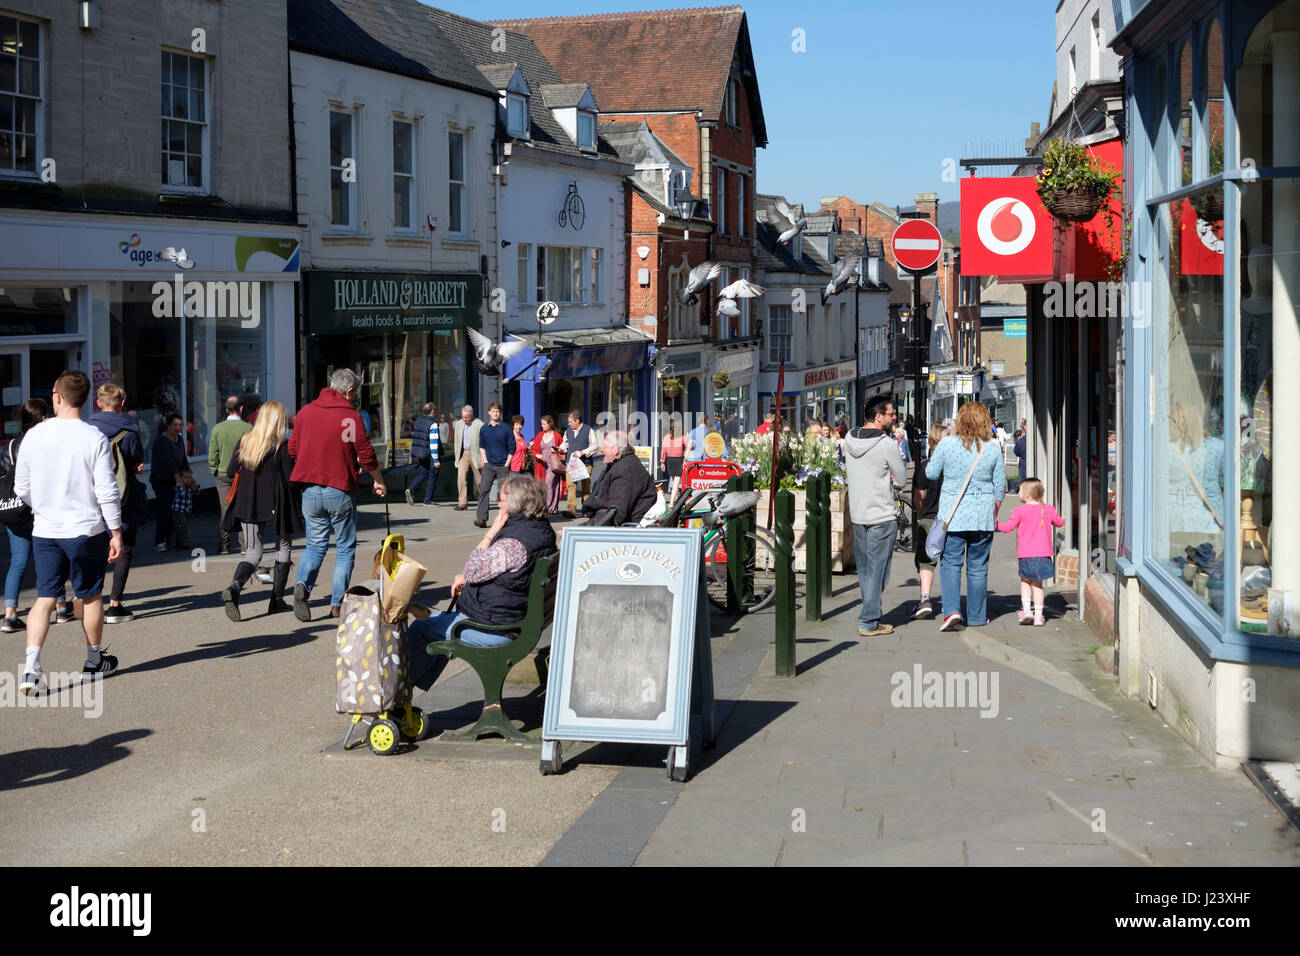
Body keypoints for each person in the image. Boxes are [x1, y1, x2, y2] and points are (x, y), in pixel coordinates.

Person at [14, 370, 124, 694]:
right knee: (90, 596)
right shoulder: (94, 438)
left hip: (46, 529)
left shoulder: (34, 435)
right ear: (86, 399)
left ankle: (31, 668)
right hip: (85, 530)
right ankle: (92, 661)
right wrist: (115, 532)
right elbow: (107, 490)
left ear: (56, 397)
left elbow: (22, 486)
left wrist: (43, 505)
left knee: (45, 598)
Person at [407, 475, 557, 692]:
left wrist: (492, 531)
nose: (498, 503)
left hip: (498, 628)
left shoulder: (514, 543)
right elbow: (507, 572)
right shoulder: (541, 531)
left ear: (515, 503)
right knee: (436, 622)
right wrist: (467, 578)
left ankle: (398, 694)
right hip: (513, 618)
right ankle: (413, 687)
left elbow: (473, 569)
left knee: (422, 627)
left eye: (501, 498)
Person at [289, 368, 386, 621]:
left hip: (310, 488)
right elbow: (365, 453)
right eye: (355, 394)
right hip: (339, 488)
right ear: (350, 391)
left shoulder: (305, 413)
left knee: (315, 544)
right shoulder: (349, 418)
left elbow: (293, 449)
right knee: (344, 547)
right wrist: (378, 481)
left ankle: (301, 586)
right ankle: (336, 603)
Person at [926, 400, 1007, 631]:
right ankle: (977, 616)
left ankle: (951, 611)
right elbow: (1000, 485)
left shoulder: (947, 444)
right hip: (982, 516)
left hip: (952, 517)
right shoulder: (992, 447)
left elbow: (931, 473)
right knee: (978, 566)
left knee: (950, 563)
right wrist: (994, 509)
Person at [221, 401, 302, 621]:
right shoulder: (281, 446)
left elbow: (229, 472)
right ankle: (276, 600)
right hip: (277, 502)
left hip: (247, 502)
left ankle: (235, 587)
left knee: (253, 552)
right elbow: (291, 479)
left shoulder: (245, 440)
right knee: (283, 547)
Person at [2, 399, 77, 633]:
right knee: (52, 557)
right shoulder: (44, 442)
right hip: (39, 509)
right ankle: (61, 606)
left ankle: (10, 613)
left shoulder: (12, 444)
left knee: (18, 561)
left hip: (13, 509)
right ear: (43, 418)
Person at [844, 396, 906, 637]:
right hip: (881, 514)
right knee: (879, 571)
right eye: (891, 414)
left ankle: (871, 613)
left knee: (866, 570)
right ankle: (869, 620)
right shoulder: (886, 444)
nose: (894, 418)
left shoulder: (849, 438)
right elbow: (901, 480)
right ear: (878, 416)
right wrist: (889, 477)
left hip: (858, 513)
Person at [90, 385, 151, 624]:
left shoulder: (87, 429)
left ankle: (90, 600)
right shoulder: (130, 431)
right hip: (123, 497)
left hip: (92, 497)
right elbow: (137, 460)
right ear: (122, 404)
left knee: (94, 549)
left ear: (98, 403)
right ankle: (115, 604)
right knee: (124, 549)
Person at [997, 477, 1064, 627]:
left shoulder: (1020, 511)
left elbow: (1007, 527)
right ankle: (1039, 617)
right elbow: (1059, 522)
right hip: (1044, 555)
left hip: (1026, 555)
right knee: (1038, 585)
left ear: (1026, 494)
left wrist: (994, 523)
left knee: (1025, 582)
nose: (1019, 493)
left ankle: (1027, 611)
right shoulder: (1048, 509)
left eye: (1020, 490)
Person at [910, 422, 952, 620]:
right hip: (951, 519)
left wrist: (920, 513)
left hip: (930, 517)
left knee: (926, 560)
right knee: (950, 561)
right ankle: (949, 603)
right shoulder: (954, 465)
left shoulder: (927, 465)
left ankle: (925, 599)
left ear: (932, 442)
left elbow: (920, 492)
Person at [583, 431, 658, 526]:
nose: (602, 450)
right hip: (612, 524)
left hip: (624, 530)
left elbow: (615, 513)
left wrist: (581, 529)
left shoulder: (625, 470)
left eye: (605, 446)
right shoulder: (623, 464)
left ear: (615, 449)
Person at [208, 396, 251, 553]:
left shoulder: (218, 429)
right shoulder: (248, 428)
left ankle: (224, 544)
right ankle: (245, 545)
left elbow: (213, 453)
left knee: (225, 509)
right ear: (241, 408)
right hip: (243, 474)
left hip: (223, 474)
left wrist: (215, 470)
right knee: (243, 509)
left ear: (226, 410)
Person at [150, 411, 192, 552]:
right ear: (168, 425)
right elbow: (168, 462)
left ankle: (171, 540)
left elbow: (183, 460)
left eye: (180, 425)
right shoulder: (161, 440)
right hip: (161, 479)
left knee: (175, 510)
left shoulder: (179, 439)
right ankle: (159, 541)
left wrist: (188, 475)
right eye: (175, 424)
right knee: (165, 509)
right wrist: (178, 478)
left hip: (175, 479)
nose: (178, 427)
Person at [475, 402, 513, 529]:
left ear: (500, 413)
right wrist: (485, 460)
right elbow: (481, 446)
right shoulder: (484, 429)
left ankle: (505, 518)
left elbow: (512, 448)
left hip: (503, 465)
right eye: (493, 411)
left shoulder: (506, 428)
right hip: (489, 465)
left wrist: (507, 464)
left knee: (504, 493)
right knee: (484, 490)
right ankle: (481, 518)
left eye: (498, 411)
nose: (495, 413)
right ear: (489, 412)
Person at [560, 409, 597, 515]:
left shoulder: (588, 430)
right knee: (571, 485)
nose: (569, 424)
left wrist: (583, 452)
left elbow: (595, 445)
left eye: (571, 422)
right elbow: (565, 443)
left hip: (585, 462)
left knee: (586, 486)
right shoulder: (568, 431)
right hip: (571, 462)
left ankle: (586, 508)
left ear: (577, 421)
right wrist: (560, 448)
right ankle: (571, 508)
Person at [406, 402, 440, 506]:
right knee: (433, 475)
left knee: (423, 472)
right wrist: (436, 459)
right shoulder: (433, 423)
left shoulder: (418, 421)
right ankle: (428, 500)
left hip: (421, 453)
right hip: (430, 453)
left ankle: (411, 489)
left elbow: (417, 438)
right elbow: (433, 443)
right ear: (433, 411)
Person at [453, 405, 483, 511]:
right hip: (463, 454)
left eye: (466, 417)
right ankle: (462, 503)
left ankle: (483, 502)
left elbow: (484, 442)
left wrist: (484, 458)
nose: (464, 419)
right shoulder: (459, 424)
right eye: (463, 416)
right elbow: (456, 440)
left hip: (476, 454)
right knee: (461, 478)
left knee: (479, 480)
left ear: (472, 415)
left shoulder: (479, 424)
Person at [531, 415, 563, 515]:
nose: (542, 426)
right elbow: (534, 450)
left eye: (544, 424)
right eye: (541, 424)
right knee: (544, 486)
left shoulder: (557, 436)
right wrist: (537, 456)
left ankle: (547, 507)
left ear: (550, 424)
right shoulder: (539, 436)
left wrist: (557, 450)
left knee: (549, 484)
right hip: (541, 464)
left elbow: (562, 449)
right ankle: (552, 508)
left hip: (553, 464)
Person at [660, 418, 687, 503]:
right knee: (676, 482)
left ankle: (675, 499)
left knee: (675, 481)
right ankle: (672, 502)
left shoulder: (666, 437)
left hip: (670, 461)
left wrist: (662, 462)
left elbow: (663, 450)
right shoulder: (682, 437)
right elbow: (688, 447)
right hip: (678, 460)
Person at [1013, 428, 1027, 492]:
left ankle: (1016, 488)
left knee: (1021, 475)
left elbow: (1016, 452)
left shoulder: (1020, 441)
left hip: (1023, 463)